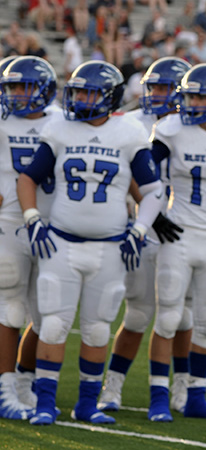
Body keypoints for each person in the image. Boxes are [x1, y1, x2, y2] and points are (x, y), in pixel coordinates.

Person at [17, 60, 164, 425]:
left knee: (98, 326)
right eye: (77, 91)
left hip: (111, 246)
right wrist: (33, 218)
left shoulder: (128, 131)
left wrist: (140, 229)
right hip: (61, 244)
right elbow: (28, 177)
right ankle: (44, 403)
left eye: (89, 92)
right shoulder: (60, 127)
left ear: (109, 97)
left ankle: (87, 404)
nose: (80, 98)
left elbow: (152, 191)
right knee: (52, 324)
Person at [96, 57, 194, 414]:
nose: (157, 94)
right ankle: (113, 387)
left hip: (184, 231)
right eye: (152, 87)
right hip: (143, 229)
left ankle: (181, 390)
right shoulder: (131, 122)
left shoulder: (197, 125)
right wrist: (144, 216)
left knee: (184, 315)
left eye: (166, 87)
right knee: (137, 313)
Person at [145, 63, 206, 423]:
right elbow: (142, 171)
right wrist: (151, 213)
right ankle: (159, 395)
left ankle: (195, 396)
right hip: (178, 235)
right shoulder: (170, 129)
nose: (193, 102)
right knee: (169, 316)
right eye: (190, 95)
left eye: (201, 95)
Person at [0, 56, 59, 420]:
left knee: (49, 311)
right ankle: (5, 388)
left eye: (25, 86)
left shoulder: (63, 122)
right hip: (8, 223)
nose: (17, 94)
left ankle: (25, 380)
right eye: (11, 87)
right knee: (11, 307)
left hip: (53, 224)